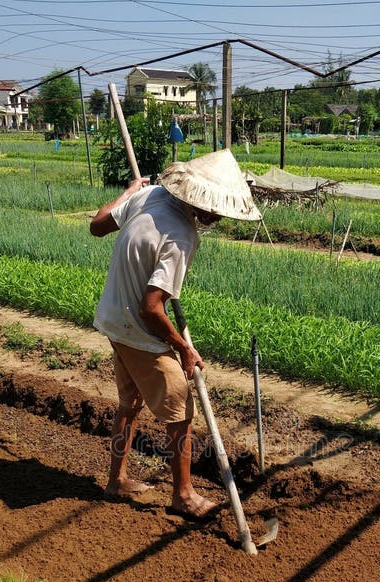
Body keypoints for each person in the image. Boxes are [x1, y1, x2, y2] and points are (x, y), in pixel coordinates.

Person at [90, 149, 260, 519]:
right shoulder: (182, 236)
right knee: (181, 408)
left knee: (130, 404)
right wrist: (183, 348)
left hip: (113, 317)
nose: (217, 216)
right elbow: (151, 309)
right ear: (200, 199)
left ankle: (116, 480)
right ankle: (183, 495)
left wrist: (129, 192)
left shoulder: (148, 196)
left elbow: (97, 224)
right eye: (215, 208)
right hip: (135, 327)